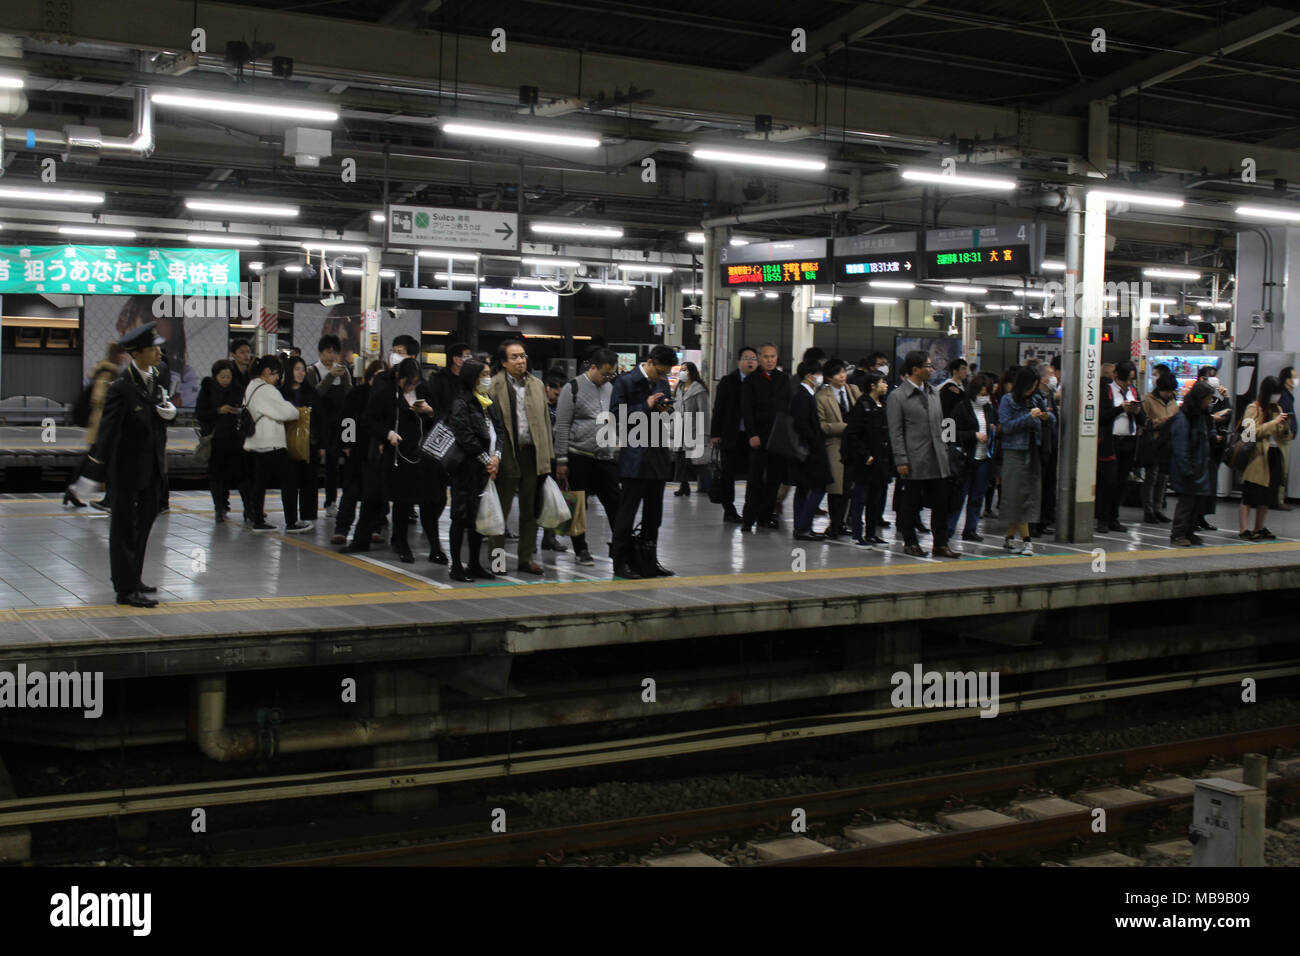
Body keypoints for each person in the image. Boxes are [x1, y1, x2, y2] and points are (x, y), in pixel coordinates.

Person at [82, 323, 174, 607]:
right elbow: (107, 431)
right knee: (123, 528)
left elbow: (158, 419)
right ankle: (124, 589)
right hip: (126, 469)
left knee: (144, 525)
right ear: (137, 353)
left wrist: (169, 415)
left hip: (152, 468)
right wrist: (93, 472)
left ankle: (134, 578)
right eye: (153, 348)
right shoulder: (121, 387)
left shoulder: (155, 379)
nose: (159, 352)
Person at [366, 357, 446, 563]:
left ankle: (435, 547)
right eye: (407, 382)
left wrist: (429, 411)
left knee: (430, 503)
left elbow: (441, 418)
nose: (411, 386)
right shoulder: (385, 394)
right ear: (398, 377)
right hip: (398, 456)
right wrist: (388, 433)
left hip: (425, 456)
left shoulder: (425, 391)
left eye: (415, 382)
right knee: (402, 503)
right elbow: (370, 420)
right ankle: (401, 544)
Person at [609, 345, 678, 579]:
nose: (663, 377)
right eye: (660, 372)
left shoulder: (661, 382)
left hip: (657, 455)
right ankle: (621, 563)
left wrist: (665, 408)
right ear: (649, 362)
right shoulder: (625, 382)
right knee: (626, 515)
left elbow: (663, 412)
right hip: (635, 457)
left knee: (654, 515)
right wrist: (646, 407)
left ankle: (649, 561)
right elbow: (616, 416)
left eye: (666, 374)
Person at [488, 339, 554, 575]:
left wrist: (548, 457)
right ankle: (497, 561)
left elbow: (546, 422)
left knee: (530, 511)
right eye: (514, 357)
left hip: (532, 453)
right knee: (500, 512)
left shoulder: (537, 384)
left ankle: (526, 558)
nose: (520, 361)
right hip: (506, 455)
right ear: (504, 362)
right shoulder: (493, 386)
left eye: (523, 356)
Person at [886, 350, 959, 559]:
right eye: (928, 366)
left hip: (938, 457)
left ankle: (941, 544)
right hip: (914, 458)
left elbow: (942, 423)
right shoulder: (897, 397)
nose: (931, 369)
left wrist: (947, 449)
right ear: (915, 370)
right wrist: (901, 459)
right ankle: (910, 541)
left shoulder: (934, 392)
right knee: (910, 503)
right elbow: (896, 432)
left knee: (941, 503)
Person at [555, 348, 620, 566]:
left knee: (615, 502)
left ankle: (620, 546)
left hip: (605, 457)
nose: (608, 378)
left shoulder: (611, 389)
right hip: (578, 456)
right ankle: (580, 549)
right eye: (605, 373)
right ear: (593, 367)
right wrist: (561, 459)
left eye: (612, 374)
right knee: (578, 505)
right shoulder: (571, 388)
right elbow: (562, 425)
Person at [445, 359, 505, 582]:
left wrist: (497, 457)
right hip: (466, 468)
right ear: (472, 377)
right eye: (484, 374)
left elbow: (500, 431)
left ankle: (474, 564)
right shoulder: (462, 403)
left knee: (478, 517)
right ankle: (456, 567)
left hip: (485, 469)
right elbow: (464, 437)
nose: (487, 378)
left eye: (489, 373)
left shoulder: (488, 401)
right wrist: (485, 460)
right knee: (460, 516)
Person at [997, 366, 1055, 555]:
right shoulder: (1007, 400)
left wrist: (1046, 417)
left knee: (1029, 495)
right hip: (1014, 452)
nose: (1032, 390)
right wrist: (1027, 418)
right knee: (1016, 495)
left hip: (1034, 451)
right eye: (1031, 386)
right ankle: (1027, 540)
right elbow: (1006, 427)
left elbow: (1052, 418)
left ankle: (1008, 538)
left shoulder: (1037, 399)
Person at [65, 343, 126, 508]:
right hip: (103, 424)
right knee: (103, 461)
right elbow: (98, 397)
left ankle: (74, 491)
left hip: (102, 423)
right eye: (123, 354)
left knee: (92, 460)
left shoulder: (107, 370)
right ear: (116, 354)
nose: (125, 357)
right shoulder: (108, 372)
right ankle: (105, 498)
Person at [242, 355, 299, 532]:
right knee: (289, 481)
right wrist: (295, 410)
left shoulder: (251, 386)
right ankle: (291, 522)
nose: (277, 379)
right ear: (267, 372)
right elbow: (286, 412)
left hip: (256, 442)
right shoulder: (267, 390)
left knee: (260, 482)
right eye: (276, 374)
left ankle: (258, 519)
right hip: (271, 442)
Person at [332, 360, 386, 545]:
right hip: (357, 449)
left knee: (376, 493)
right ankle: (341, 529)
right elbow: (347, 418)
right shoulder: (357, 393)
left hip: (377, 449)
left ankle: (374, 528)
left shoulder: (386, 395)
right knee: (351, 491)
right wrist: (346, 444)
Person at [740, 343, 790, 532]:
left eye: (773, 357)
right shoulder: (751, 381)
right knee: (754, 480)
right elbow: (747, 410)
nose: (769, 360)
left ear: (777, 358)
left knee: (774, 480)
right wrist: (752, 433)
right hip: (758, 437)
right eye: (766, 357)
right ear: (759, 358)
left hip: (777, 438)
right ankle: (748, 519)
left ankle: (765, 517)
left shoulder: (783, 379)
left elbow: (787, 407)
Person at [305, 334, 353, 516]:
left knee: (335, 465)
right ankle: (309, 506)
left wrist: (350, 433)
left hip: (339, 425)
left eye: (335, 352)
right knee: (315, 465)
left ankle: (331, 501)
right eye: (328, 352)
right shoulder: (312, 371)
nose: (332, 356)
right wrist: (329, 377)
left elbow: (349, 399)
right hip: (318, 425)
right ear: (320, 352)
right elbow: (314, 396)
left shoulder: (344, 372)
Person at [1238, 375, 1290, 540]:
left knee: (1267, 495)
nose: (1277, 397)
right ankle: (1244, 529)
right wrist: (1273, 423)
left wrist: (1284, 426)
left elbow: (1283, 436)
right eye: (1275, 393)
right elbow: (1249, 433)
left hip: (1274, 454)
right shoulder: (1254, 408)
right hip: (1257, 456)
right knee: (1250, 494)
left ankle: (1259, 527)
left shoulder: (1277, 409)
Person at [842, 371, 891, 546]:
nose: (885, 385)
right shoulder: (862, 405)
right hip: (866, 462)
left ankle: (871, 533)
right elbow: (853, 434)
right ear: (872, 385)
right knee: (860, 498)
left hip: (880, 461)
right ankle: (857, 533)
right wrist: (865, 454)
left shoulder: (882, 405)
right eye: (882, 382)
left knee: (875, 500)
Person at [195, 359, 248, 523]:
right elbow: (201, 414)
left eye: (229, 376)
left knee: (242, 475)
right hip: (215, 439)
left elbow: (246, 409)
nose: (226, 380)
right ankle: (220, 507)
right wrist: (219, 410)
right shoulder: (207, 390)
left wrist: (237, 411)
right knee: (217, 476)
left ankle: (249, 508)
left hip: (235, 438)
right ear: (215, 376)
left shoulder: (238, 389)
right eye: (223, 376)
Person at [708, 346, 757, 523]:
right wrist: (715, 433)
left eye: (753, 358)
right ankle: (729, 509)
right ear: (739, 362)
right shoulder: (728, 382)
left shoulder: (759, 382)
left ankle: (751, 510)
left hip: (753, 437)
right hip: (732, 435)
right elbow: (718, 408)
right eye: (746, 358)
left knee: (754, 474)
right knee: (728, 474)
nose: (750, 361)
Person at [1096, 360, 1145, 533]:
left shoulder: (1133, 392)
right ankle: (1102, 517)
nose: (1129, 384)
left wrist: (1137, 412)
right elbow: (1100, 417)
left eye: (1131, 380)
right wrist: (1120, 409)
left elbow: (1143, 419)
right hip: (1111, 442)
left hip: (1129, 441)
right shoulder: (1106, 391)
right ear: (1117, 376)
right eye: (1126, 380)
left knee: (1122, 482)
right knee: (1108, 481)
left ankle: (1114, 517)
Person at [947, 374, 996, 543]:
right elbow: (948, 433)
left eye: (987, 393)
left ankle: (970, 529)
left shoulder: (988, 409)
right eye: (982, 393)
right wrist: (972, 435)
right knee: (959, 495)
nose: (984, 397)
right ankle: (949, 528)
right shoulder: (961, 407)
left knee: (977, 496)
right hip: (964, 459)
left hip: (983, 458)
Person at [788, 359, 833, 540]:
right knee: (819, 486)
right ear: (808, 375)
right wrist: (814, 444)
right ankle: (804, 525)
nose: (819, 377)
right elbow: (802, 424)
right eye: (817, 373)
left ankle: (800, 527)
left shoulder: (807, 393)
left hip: (806, 451)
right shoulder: (802, 395)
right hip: (810, 451)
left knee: (802, 489)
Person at [279, 355, 324, 533]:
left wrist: (321, 444)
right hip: (286, 444)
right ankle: (290, 519)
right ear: (289, 371)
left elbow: (321, 418)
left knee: (309, 481)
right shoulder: (281, 393)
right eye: (297, 369)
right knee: (289, 483)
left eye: (303, 369)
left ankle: (308, 516)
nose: (301, 373)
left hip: (309, 444)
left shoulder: (311, 392)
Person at [816, 358, 859, 538]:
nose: (842, 376)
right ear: (828, 377)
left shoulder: (853, 390)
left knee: (850, 487)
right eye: (837, 373)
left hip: (853, 447)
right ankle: (834, 524)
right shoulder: (822, 396)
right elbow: (821, 425)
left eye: (843, 372)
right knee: (836, 490)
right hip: (834, 446)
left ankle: (842, 523)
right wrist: (843, 427)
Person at [1169, 381, 1215, 547]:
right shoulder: (1183, 418)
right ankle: (1178, 533)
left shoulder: (1201, 415)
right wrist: (1187, 469)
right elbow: (1181, 447)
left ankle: (1189, 532)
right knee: (1186, 502)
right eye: (1208, 398)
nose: (1209, 402)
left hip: (1199, 467)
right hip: (1188, 469)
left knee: (1196, 503)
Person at [1140, 373, 1179, 524]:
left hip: (1167, 443)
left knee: (1163, 478)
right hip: (1153, 442)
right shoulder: (1148, 400)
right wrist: (1162, 421)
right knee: (1152, 477)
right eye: (1167, 391)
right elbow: (1144, 422)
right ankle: (1148, 510)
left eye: (1171, 392)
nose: (1169, 394)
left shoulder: (1172, 401)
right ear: (1160, 389)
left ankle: (1158, 508)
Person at [539, 369, 570, 554]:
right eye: (556, 393)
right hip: (541, 457)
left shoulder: (563, 408)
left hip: (558, 457)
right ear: (547, 388)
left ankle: (550, 538)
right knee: (538, 500)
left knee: (555, 499)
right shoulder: (538, 405)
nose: (559, 398)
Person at [671, 362, 710, 497]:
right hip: (679, 429)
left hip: (693, 429)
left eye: (685, 370)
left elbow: (704, 412)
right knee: (681, 460)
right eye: (681, 370)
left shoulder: (699, 389)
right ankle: (684, 485)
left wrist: (704, 434)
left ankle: (705, 485)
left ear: (691, 372)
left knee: (697, 461)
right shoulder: (680, 388)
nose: (682, 372)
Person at [1201, 375, 1233, 531]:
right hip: (1203, 447)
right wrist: (1215, 418)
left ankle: (1202, 516)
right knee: (1201, 485)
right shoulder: (1198, 403)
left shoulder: (1219, 402)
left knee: (1211, 485)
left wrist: (1226, 397)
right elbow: (1213, 419)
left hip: (1216, 447)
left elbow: (1226, 417)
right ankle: (1193, 518)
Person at [431, 342, 473, 418]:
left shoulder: (470, 378)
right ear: (456, 360)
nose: (470, 359)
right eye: (467, 356)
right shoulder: (440, 379)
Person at [1277, 366, 1297, 510]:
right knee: (1282, 469)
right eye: (1294, 377)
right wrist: (1287, 432)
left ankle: (1279, 498)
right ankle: (1278, 500)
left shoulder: (1287, 394)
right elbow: (1284, 417)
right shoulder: (1284, 396)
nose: (1297, 380)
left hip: (1286, 437)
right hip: (1282, 438)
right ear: (1287, 379)